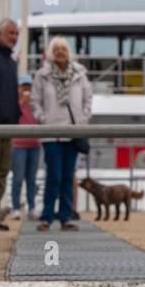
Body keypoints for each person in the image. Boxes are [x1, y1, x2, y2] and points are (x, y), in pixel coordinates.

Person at [31, 37, 92, 231]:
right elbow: (35, 101)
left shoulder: (80, 74)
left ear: (69, 52)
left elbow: (88, 99)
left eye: (63, 48)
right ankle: (46, 217)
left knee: (68, 176)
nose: (60, 52)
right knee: (53, 176)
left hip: (73, 132)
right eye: (56, 48)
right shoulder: (42, 75)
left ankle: (66, 217)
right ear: (50, 52)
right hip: (51, 134)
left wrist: (82, 121)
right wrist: (44, 119)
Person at [0, 19, 20, 229]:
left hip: (8, 124)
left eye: (16, 33)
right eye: (10, 33)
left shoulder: (11, 62)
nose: (14, 37)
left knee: (2, 171)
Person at [10, 75, 41, 219]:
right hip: (19, 145)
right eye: (24, 86)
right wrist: (21, 101)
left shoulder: (36, 103)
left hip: (35, 145)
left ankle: (32, 207)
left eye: (28, 86)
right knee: (18, 178)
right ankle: (16, 208)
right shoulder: (15, 102)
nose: (26, 88)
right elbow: (13, 116)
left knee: (32, 179)